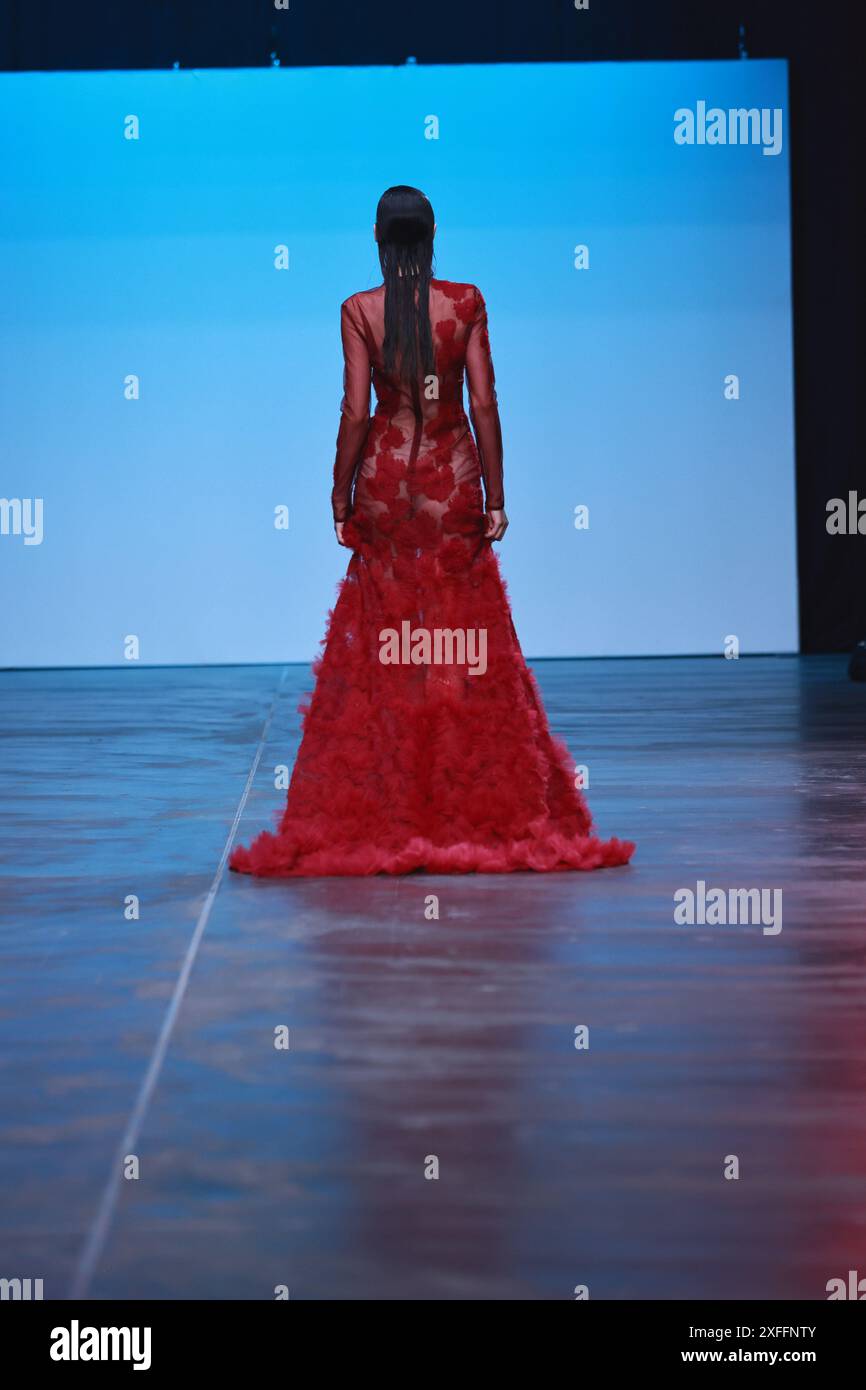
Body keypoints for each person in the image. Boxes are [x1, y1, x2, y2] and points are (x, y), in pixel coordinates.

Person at [230, 186, 634, 876]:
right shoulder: (467, 303)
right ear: (434, 235)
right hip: (452, 485)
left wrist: (338, 494)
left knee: (387, 641)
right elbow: (482, 401)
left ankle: (389, 805)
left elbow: (356, 411)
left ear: (379, 240)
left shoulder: (360, 311)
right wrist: (498, 496)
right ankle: (467, 804)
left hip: (388, 487)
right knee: (459, 638)